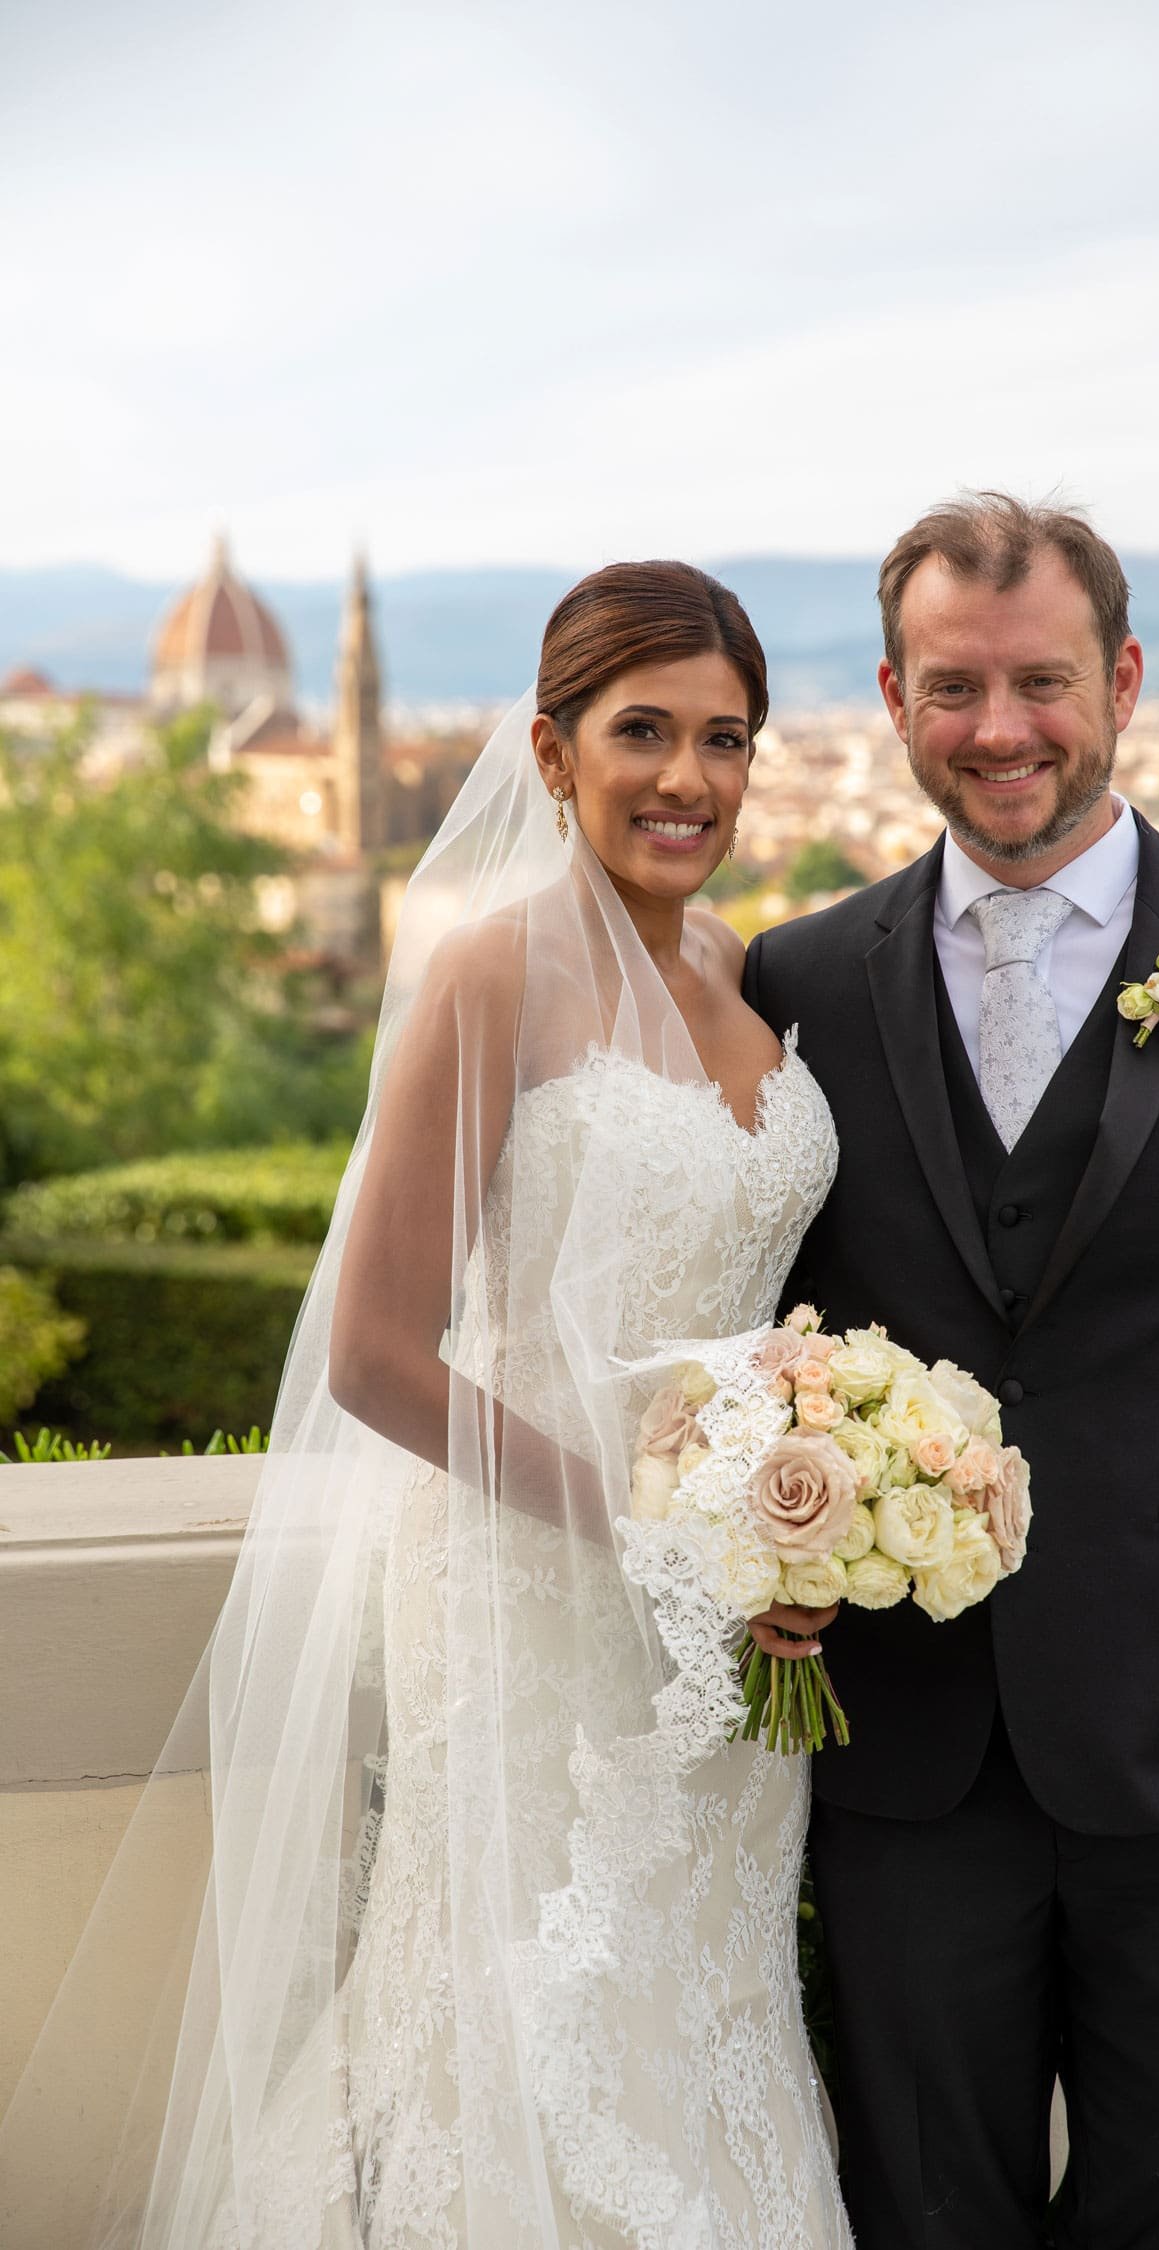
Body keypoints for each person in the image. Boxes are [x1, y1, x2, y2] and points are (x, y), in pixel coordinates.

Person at [0, 562, 850, 2250]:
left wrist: (797, 1498)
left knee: (705, 2008)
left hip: (738, 1628)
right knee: (523, 2027)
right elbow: (376, 1352)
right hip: (540, 1601)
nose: (690, 776)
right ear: (549, 750)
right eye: (644, 731)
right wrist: (651, 1528)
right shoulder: (491, 973)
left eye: (727, 739)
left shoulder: (747, 972)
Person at [744, 492, 1159, 2250]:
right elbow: (761, 1347)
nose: (999, 730)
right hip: (902, 1752)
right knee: (921, 2213)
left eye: (1040, 680)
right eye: (952, 686)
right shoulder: (798, 979)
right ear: (893, 697)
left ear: (1118, 677)